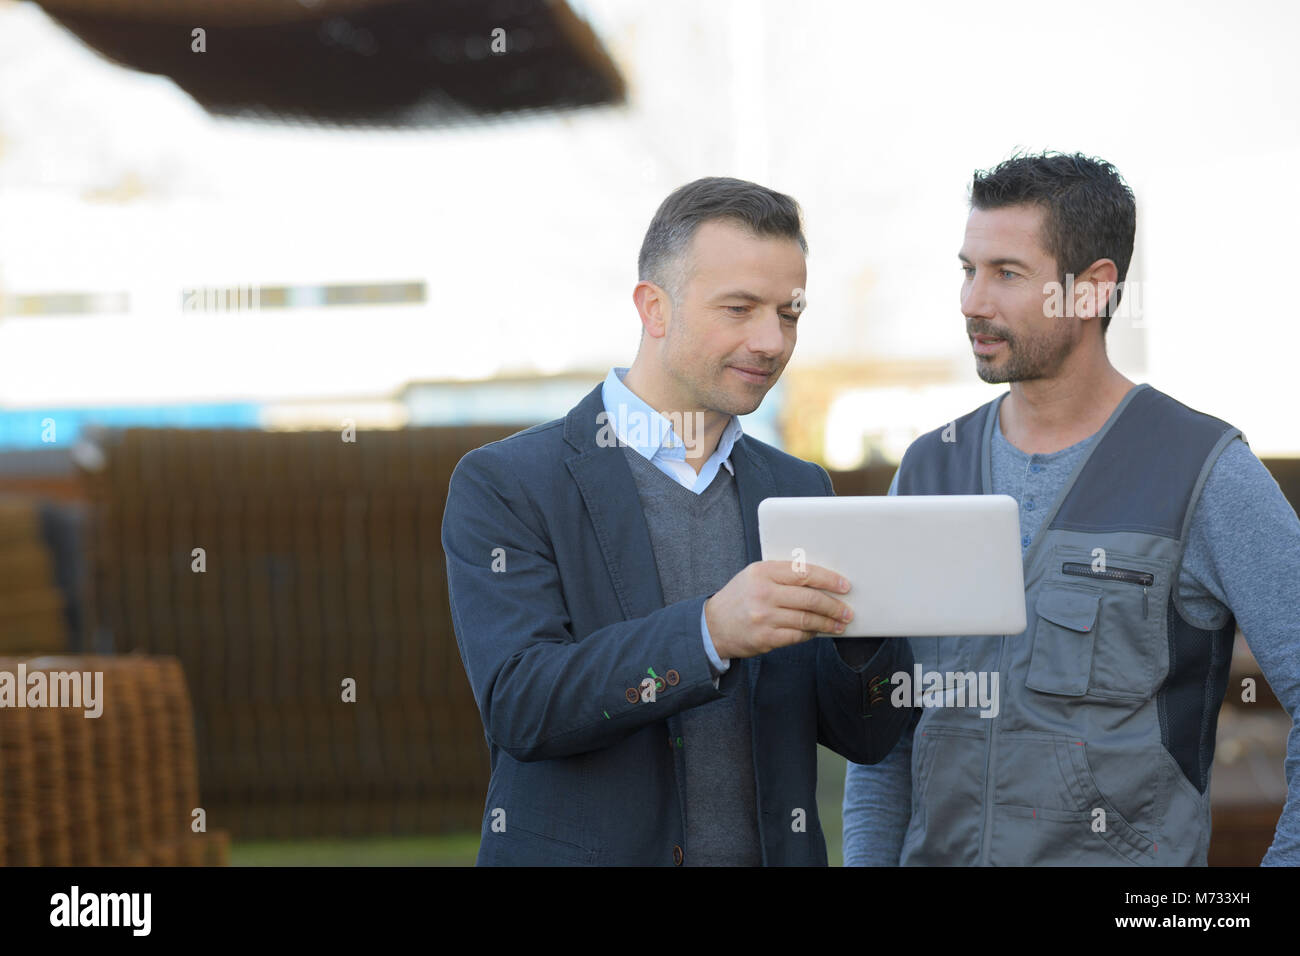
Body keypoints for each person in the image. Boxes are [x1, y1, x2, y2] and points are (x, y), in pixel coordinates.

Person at [843, 151, 1300, 866]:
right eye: (968, 269)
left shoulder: (1205, 471)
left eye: (1007, 274)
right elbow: (887, 732)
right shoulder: (930, 468)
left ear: (1090, 291)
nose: (972, 301)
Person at [443, 176, 914, 866]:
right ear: (653, 307)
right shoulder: (509, 483)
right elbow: (523, 706)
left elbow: (868, 736)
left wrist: (864, 635)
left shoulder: (798, 486)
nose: (771, 339)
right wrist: (709, 633)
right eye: (740, 308)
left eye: (789, 312)